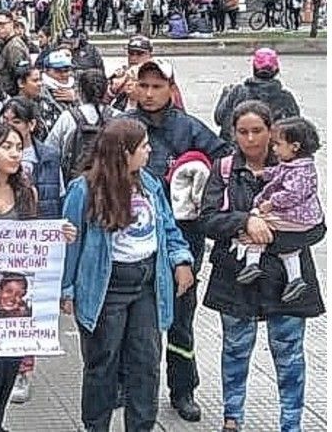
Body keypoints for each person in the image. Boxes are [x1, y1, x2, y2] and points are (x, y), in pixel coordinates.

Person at [60, 118, 196, 432]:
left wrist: (181, 260)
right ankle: (96, 426)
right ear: (124, 152)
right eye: (144, 146)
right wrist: (67, 289)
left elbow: (169, 229)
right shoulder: (83, 190)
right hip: (106, 289)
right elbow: (71, 243)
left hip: (147, 285)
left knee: (146, 362)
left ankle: (141, 425)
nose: (149, 150)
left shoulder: (149, 183)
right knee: (102, 365)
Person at [197, 102, 324, 432]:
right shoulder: (224, 168)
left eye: (258, 131)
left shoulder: (296, 169)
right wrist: (245, 222)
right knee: (236, 350)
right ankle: (232, 417)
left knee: (289, 356)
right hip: (237, 278)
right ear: (233, 133)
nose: (251, 139)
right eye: (243, 132)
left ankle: (291, 422)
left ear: (272, 132)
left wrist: (273, 235)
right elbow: (208, 220)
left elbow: (317, 227)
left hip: (286, 281)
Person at [121, 58, 232, 421]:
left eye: (157, 86)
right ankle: (129, 388)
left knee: (181, 321)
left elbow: (226, 164)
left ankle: (183, 390)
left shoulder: (190, 128)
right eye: (144, 86)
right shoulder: (122, 128)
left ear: (171, 89)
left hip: (183, 242)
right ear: (134, 87)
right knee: (133, 324)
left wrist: (200, 187)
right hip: (133, 246)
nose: (150, 93)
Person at [0, 122, 75, 430]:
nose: (14, 153)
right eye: (5, 146)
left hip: (15, 308)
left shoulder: (26, 193)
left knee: (6, 379)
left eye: (18, 147)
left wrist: (60, 234)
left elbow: (32, 242)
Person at [238, 117, 322, 302]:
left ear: (295, 146)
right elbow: (278, 172)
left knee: (256, 220)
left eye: (277, 144)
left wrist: (272, 202)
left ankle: (252, 263)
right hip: (299, 219)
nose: (273, 149)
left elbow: (292, 193)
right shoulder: (294, 165)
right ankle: (295, 278)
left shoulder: (302, 170)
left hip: (296, 217)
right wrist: (263, 174)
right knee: (288, 248)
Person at [213, 48, 301, 141]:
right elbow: (296, 130)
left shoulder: (237, 91)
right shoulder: (286, 98)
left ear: (254, 68)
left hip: (233, 149)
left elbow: (218, 119)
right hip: (272, 150)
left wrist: (225, 94)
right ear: (276, 70)